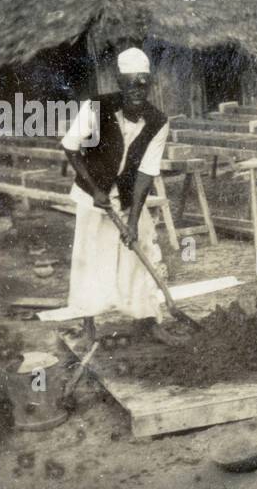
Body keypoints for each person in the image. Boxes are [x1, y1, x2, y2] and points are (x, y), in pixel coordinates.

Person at [61, 47, 180, 346]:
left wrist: (133, 220)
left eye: (143, 83)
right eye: (130, 84)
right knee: (89, 257)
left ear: (149, 83)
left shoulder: (158, 121)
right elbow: (70, 146)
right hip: (92, 194)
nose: (137, 90)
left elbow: (146, 172)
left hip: (126, 197)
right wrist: (96, 189)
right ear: (120, 83)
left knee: (139, 254)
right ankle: (88, 325)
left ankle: (149, 319)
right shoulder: (96, 108)